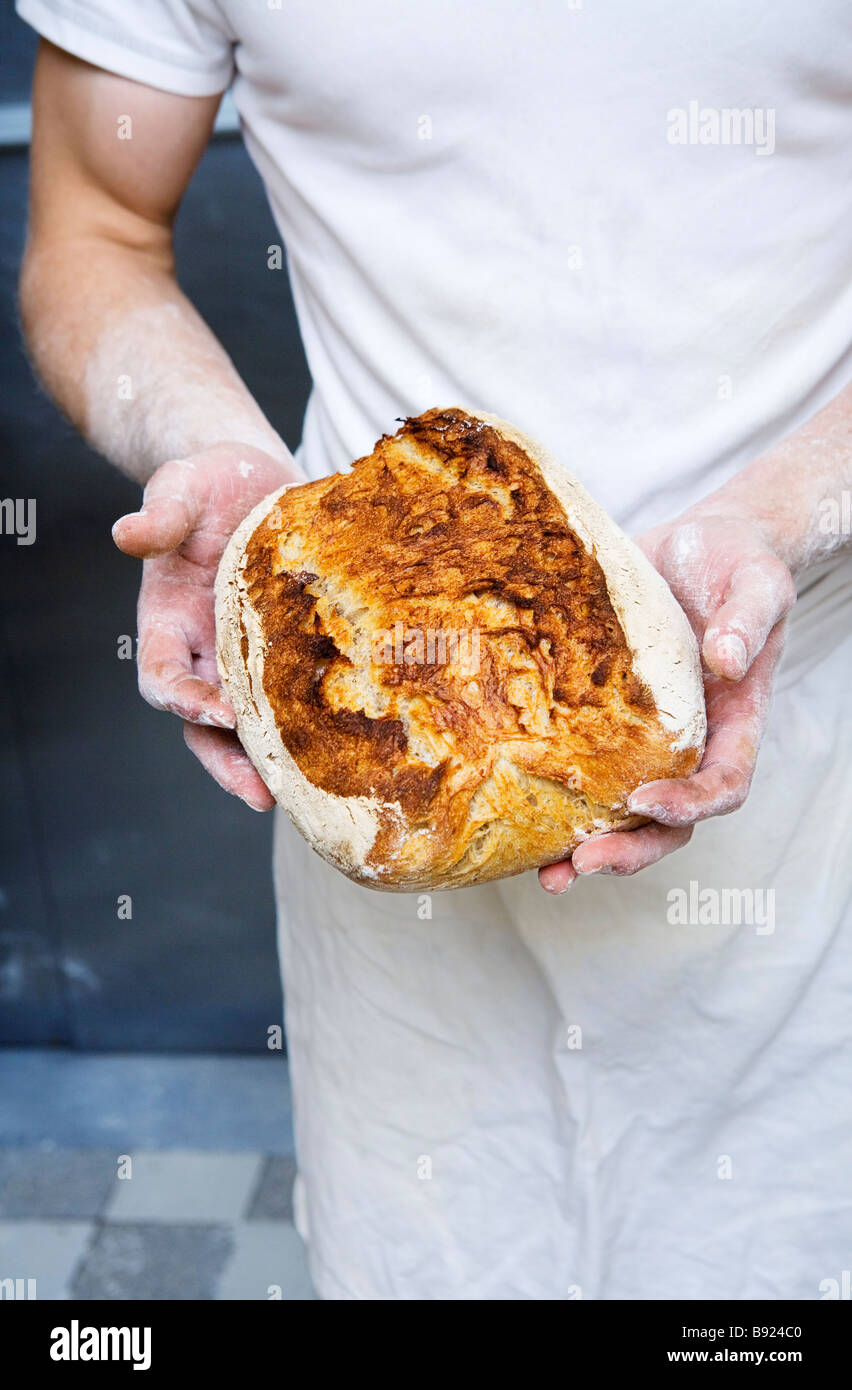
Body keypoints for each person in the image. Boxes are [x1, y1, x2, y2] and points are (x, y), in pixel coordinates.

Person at [17, 0, 852, 1300]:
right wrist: (205, 460)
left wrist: (785, 507)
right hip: (366, 735)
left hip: (808, 757)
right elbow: (97, 224)